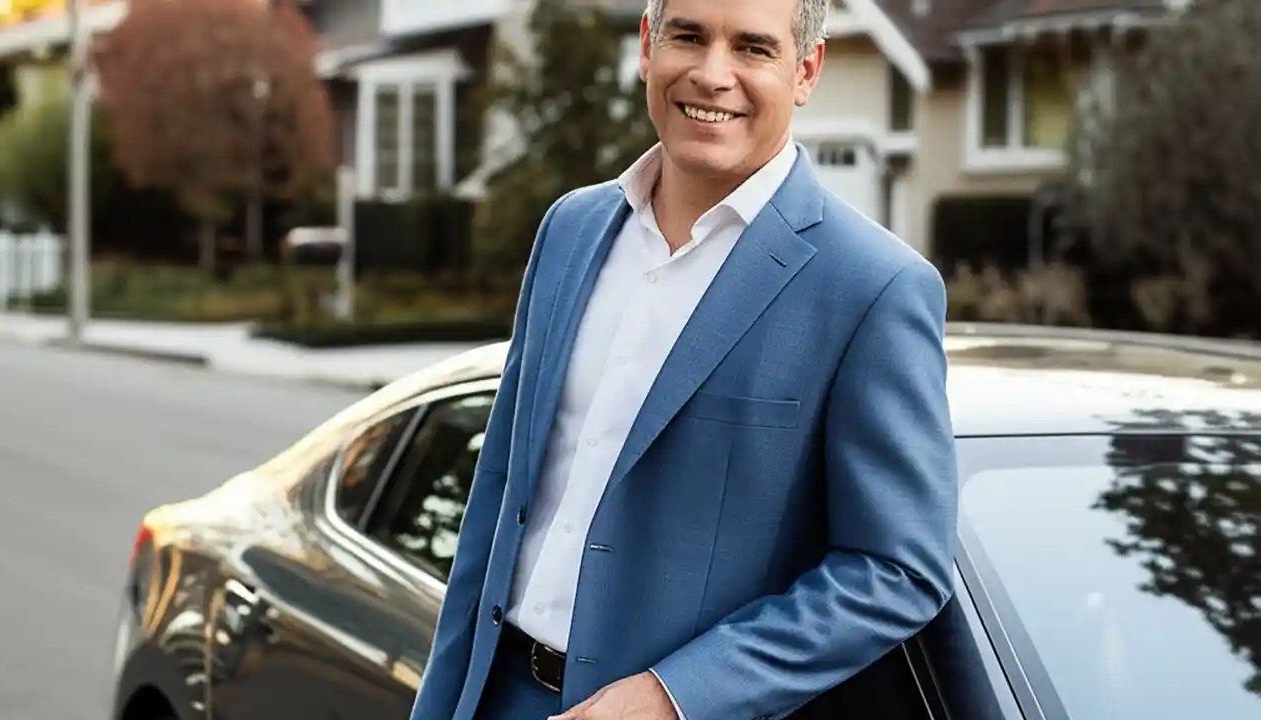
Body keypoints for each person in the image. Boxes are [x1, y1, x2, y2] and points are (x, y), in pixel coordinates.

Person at [410, 0, 958, 717]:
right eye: (688, 37)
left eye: (753, 49)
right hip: (498, 692)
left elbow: (897, 569)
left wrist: (676, 698)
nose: (711, 74)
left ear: (806, 70)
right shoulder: (571, 229)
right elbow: (501, 489)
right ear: (647, 46)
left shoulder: (873, 288)